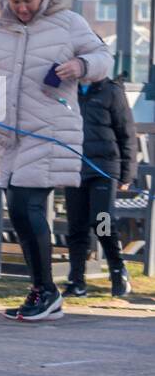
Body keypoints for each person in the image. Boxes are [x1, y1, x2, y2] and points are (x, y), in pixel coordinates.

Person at [0, 0, 113, 321]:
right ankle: (42, 290)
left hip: (48, 129)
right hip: (5, 132)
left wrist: (81, 66)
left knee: (27, 206)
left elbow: (102, 57)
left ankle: (46, 291)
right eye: (15, 0)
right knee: (18, 209)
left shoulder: (69, 22)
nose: (21, 8)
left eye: (28, 0)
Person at [63, 73, 136, 297]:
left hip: (104, 169)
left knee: (102, 221)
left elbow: (127, 133)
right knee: (76, 226)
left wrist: (126, 174)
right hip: (75, 168)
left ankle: (117, 269)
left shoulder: (111, 91)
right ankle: (76, 280)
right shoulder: (68, 90)